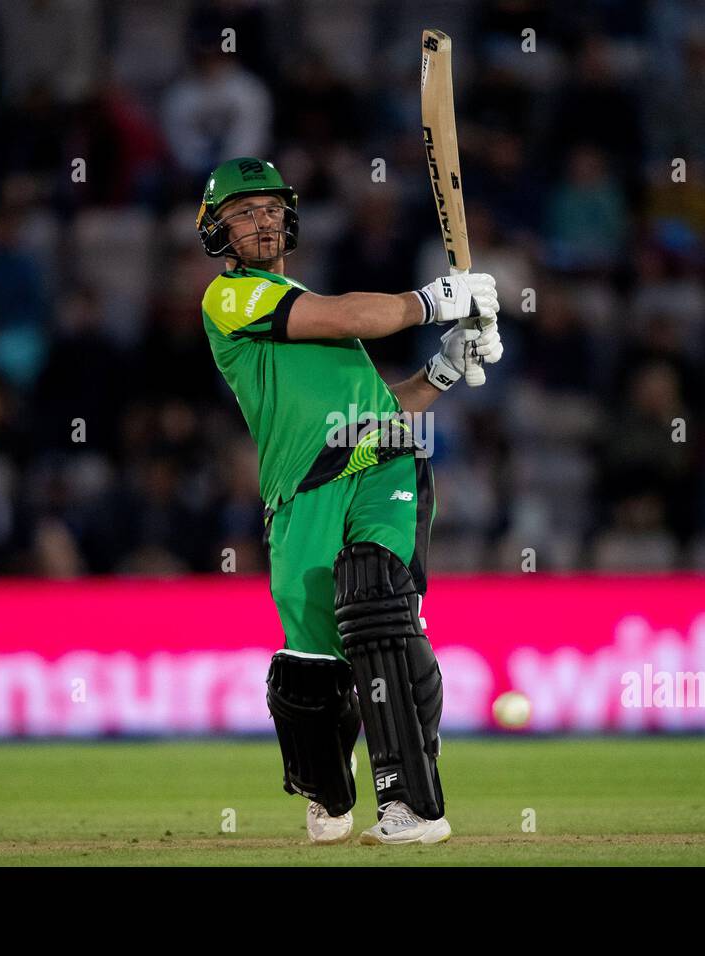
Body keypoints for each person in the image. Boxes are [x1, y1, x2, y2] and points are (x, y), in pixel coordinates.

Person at [196, 157, 503, 844]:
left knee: (376, 598)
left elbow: (382, 414)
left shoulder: (314, 309)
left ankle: (411, 805)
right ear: (216, 231)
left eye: (270, 207)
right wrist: (432, 303)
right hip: (301, 491)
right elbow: (348, 316)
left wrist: (444, 368)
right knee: (308, 670)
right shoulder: (235, 300)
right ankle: (328, 790)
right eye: (243, 213)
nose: (262, 220)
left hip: (382, 464)